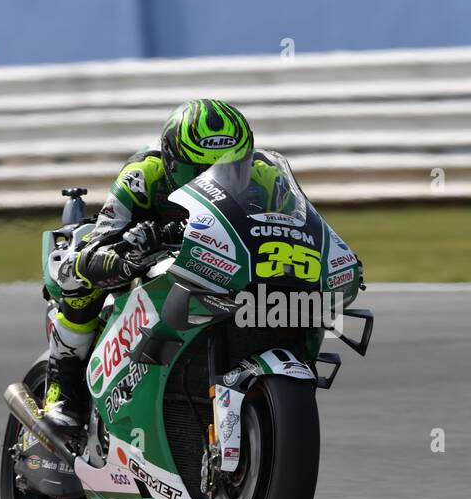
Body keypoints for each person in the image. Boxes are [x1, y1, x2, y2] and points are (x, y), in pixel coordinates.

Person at [40, 98, 294, 434]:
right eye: (201, 171)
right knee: (78, 270)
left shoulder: (266, 179)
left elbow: (296, 231)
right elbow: (99, 244)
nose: (221, 179)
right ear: (173, 162)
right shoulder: (143, 175)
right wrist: (132, 247)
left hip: (226, 268)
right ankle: (63, 389)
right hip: (148, 266)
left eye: (233, 168)